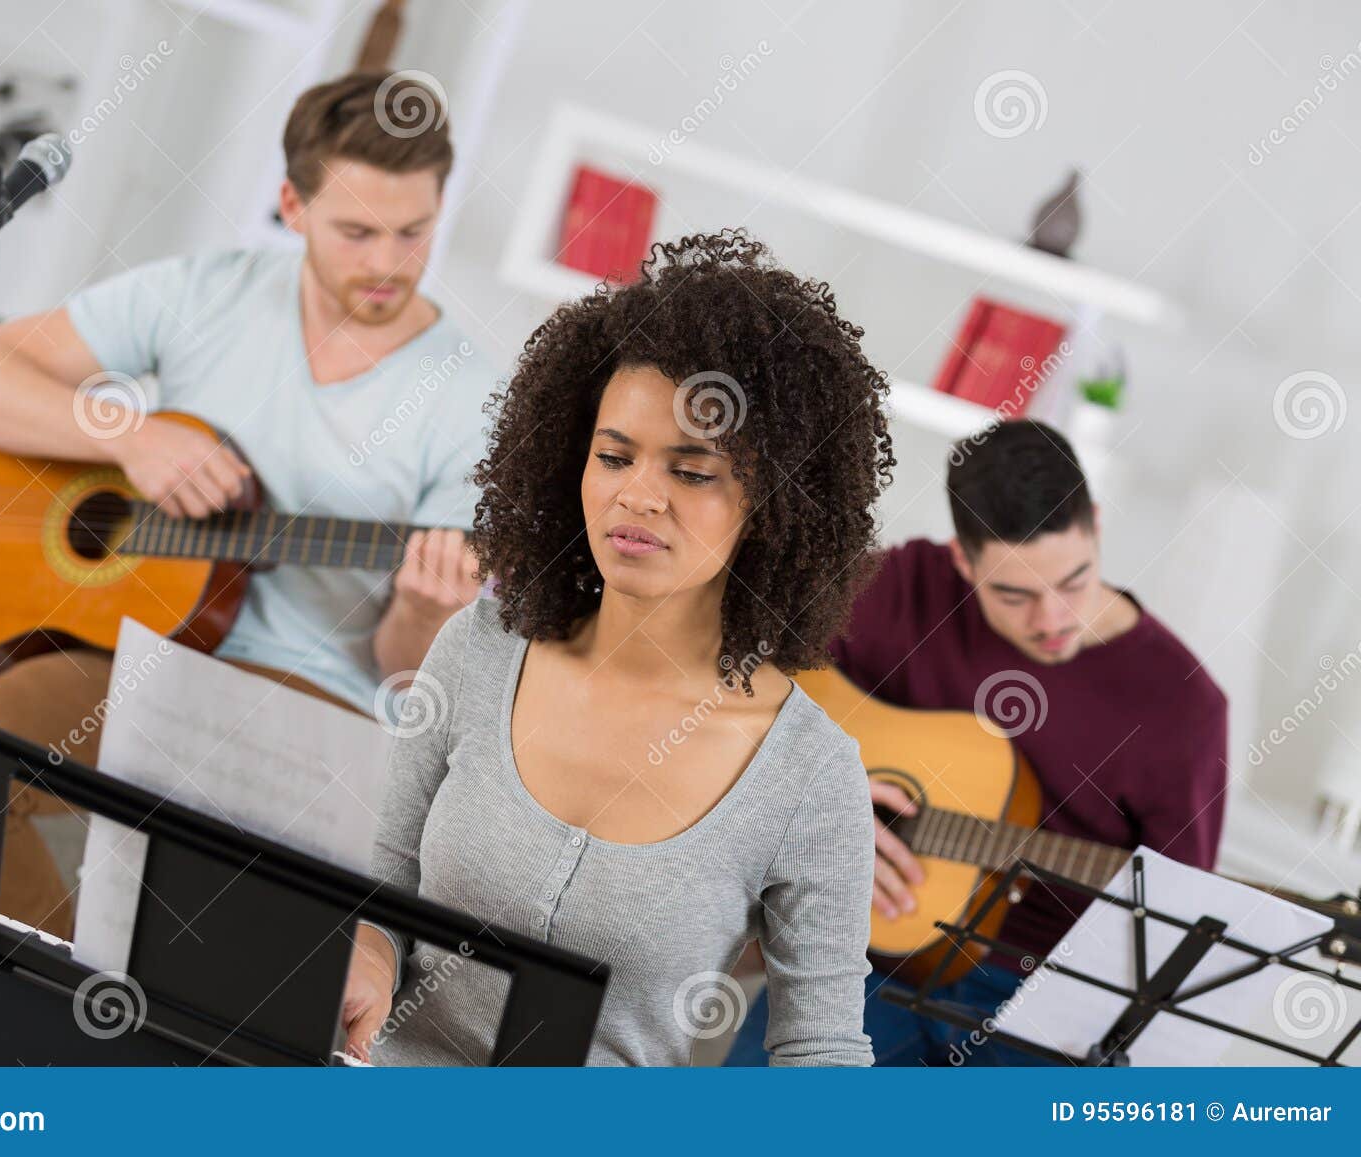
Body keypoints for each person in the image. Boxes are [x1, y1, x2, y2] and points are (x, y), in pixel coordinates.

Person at [0, 73, 495, 940]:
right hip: (142, 647)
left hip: (315, 694)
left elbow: (401, 663)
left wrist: (426, 607)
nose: (387, 263)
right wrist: (125, 437)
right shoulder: (209, 291)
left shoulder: (474, 398)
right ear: (292, 206)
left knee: (199, 928)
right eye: (357, 231)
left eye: (414, 233)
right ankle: (60, 1029)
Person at [337, 230, 894, 1066]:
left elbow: (819, 1047)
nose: (638, 496)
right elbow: (386, 881)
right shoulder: (479, 649)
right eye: (614, 455)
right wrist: (370, 959)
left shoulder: (811, 775)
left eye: (692, 471)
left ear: (777, 505)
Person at [725, 418, 1229, 1066]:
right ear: (962, 559)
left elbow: (1169, 924)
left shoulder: (1184, 705)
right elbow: (725, 678)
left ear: (1097, 526)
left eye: (1074, 580)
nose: (1051, 621)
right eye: (1013, 594)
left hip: (1039, 1007)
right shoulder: (908, 586)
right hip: (862, 959)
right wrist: (812, 801)